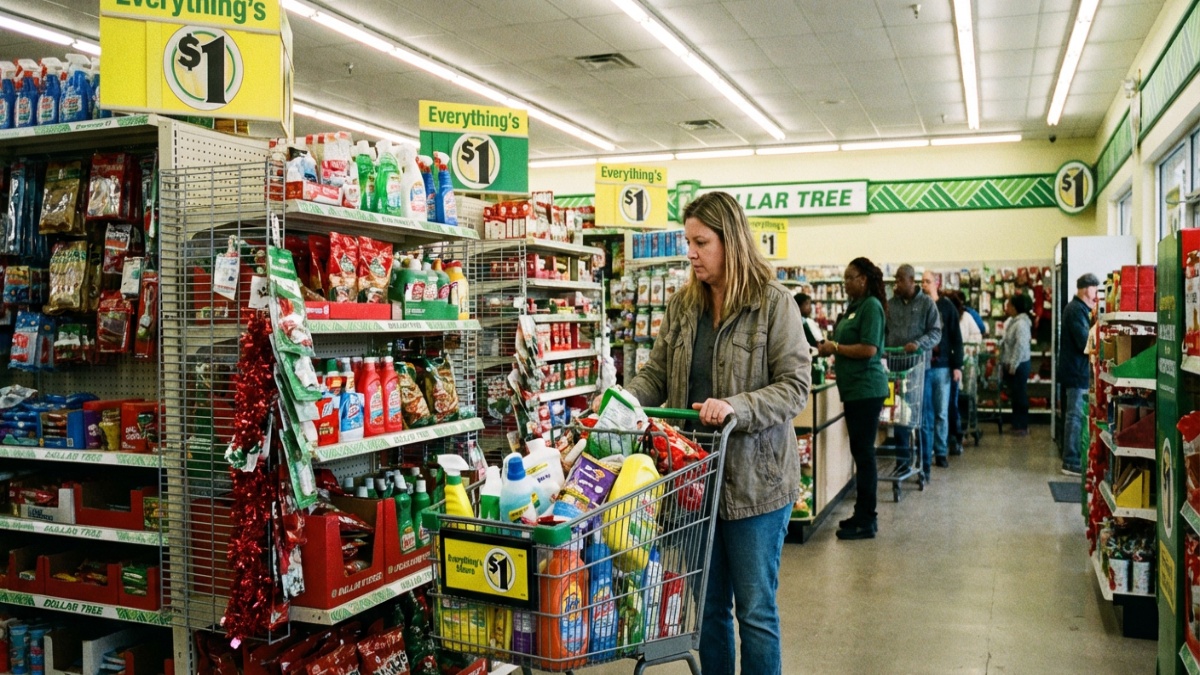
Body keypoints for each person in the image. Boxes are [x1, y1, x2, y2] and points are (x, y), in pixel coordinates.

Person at [623, 191, 810, 675]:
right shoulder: (684, 305)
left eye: (701, 242)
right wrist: (623, 401)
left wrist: (736, 407)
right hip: (692, 481)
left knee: (755, 612)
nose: (691, 253)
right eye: (688, 241)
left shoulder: (774, 304)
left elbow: (795, 386)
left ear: (731, 241)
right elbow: (657, 374)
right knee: (707, 612)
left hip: (756, 485)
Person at [817, 257, 888, 540]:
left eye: (850, 278)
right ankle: (861, 513)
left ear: (864, 279)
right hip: (854, 390)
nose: (845, 284)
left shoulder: (871, 307)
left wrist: (835, 347)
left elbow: (870, 349)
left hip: (866, 389)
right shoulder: (854, 308)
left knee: (865, 455)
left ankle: (867, 519)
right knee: (860, 453)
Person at [885, 265, 942, 478]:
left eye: (900, 280)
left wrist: (919, 343)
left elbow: (936, 333)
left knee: (921, 419)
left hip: (919, 371)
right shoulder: (890, 305)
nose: (896, 284)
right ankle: (903, 465)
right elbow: (884, 332)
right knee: (900, 418)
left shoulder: (927, 304)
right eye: (895, 280)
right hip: (895, 370)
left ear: (911, 280)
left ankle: (925, 465)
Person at [921, 271, 963, 470]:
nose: (924, 285)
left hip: (942, 367)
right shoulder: (919, 306)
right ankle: (927, 453)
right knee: (925, 414)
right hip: (923, 367)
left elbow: (956, 338)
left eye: (927, 281)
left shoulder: (947, 307)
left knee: (941, 413)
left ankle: (940, 451)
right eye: (922, 281)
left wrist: (957, 366)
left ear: (936, 283)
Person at [1059, 273, 1099, 475]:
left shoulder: (1080, 309)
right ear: (1086, 289)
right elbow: (1084, 341)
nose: (1097, 294)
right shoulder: (1075, 311)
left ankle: (1073, 458)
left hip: (1078, 370)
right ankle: (1071, 460)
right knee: (1075, 416)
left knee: (1076, 415)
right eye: (1095, 289)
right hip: (1076, 372)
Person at [947, 291, 981, 454]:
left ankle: (961, 432)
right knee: (954, 400)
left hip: (966, 364)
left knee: (962, 400)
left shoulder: (966, 317)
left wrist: (968, 347)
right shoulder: (944, 317)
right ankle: (956, 434)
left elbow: (977, 335)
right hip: (953, 364)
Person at [1001, 294, 1034, 435]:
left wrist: (1013, 365)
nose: (1006, 307)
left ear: (1014, 307)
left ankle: (1022, 426)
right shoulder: (1014, 322)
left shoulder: (1020, 324)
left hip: (1020, 365)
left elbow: (1020, 346)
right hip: (1015, 364)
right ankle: (1017, 424)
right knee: (1015, 395)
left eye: (1008, 305)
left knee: (1020, 395)